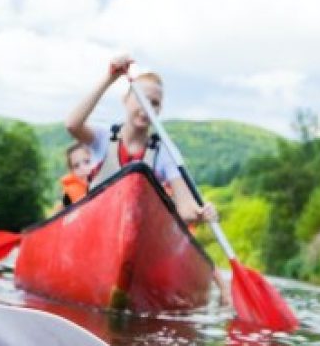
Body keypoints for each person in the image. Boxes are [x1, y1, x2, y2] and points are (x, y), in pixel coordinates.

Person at [64, 55, 218, 226]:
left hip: (136, 228)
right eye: (141, 99)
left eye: (154, 103)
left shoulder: (164, 152)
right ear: (125, 100)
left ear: (159, 109)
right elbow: (72, 125)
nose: (147, 107)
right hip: (97, 225)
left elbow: (186, 208)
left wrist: (200, 213)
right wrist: (110, 78)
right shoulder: (103, 138)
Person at [58, 141, 97, 207]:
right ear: (71, 171)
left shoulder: (102, 176)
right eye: (76, 166)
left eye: (86, 162)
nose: (83, 168)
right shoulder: (69, 193)